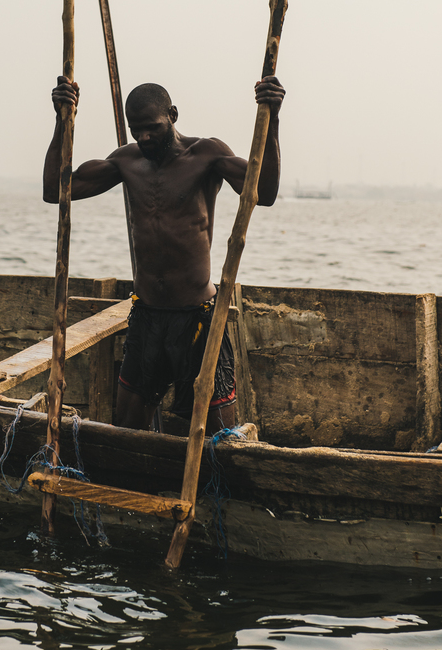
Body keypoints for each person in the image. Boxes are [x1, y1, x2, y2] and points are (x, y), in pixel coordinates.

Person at [43, 75, 285, 432]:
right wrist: (63, 120)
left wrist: (273, 117)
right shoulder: (127, 161)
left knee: (217, 434)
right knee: (128, 427)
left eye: (152, 128)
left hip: (197, 318)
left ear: (172, 114)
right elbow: (57, 190)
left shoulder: (206, 155)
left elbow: (263, 191)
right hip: (147, 316)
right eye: (136, 129)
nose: (144, 137)